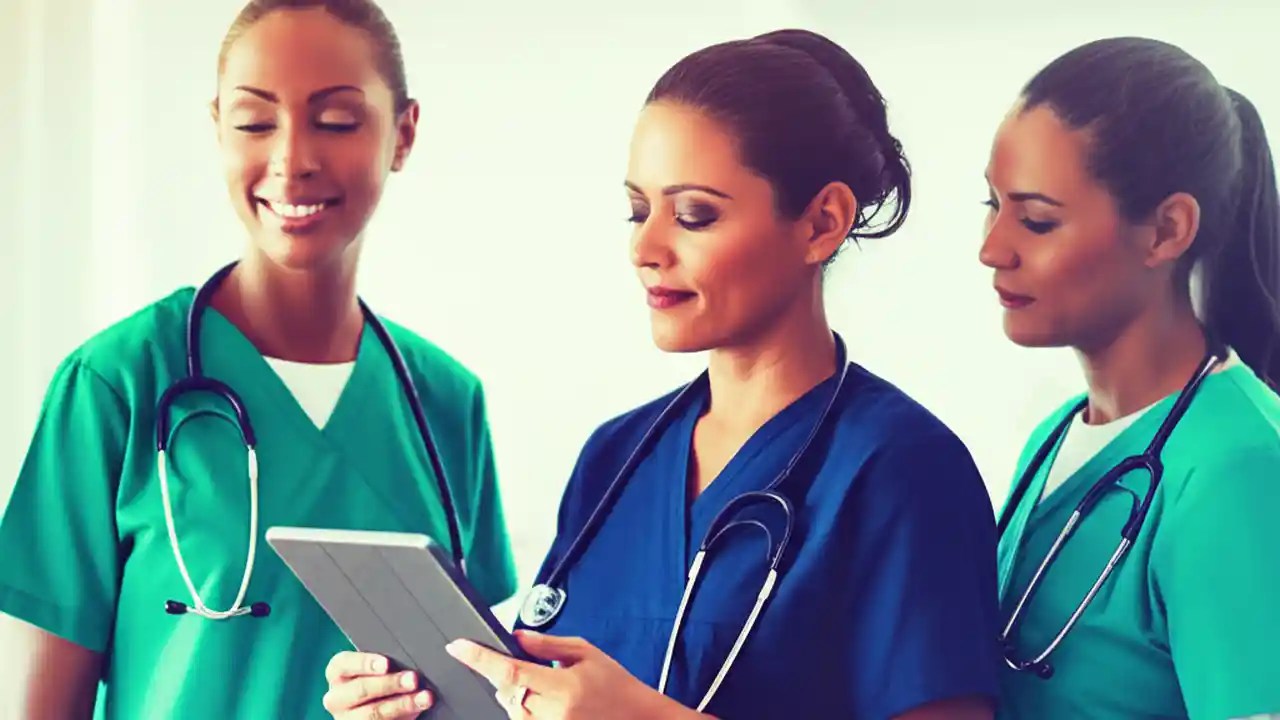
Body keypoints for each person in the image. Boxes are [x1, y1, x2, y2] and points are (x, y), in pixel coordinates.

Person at [322, 28, 1000, 720]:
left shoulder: (903, 472)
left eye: (695, 215)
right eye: (638, 211)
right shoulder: (616, 458)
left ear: (822, 222)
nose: (644, 248)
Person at [0, 1, 518, 718]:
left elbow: (476, 694)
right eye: (253, 122)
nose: (293, 160)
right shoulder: (116, 385)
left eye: (336, 121)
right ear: (217, 129)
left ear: (403, 134)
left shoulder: (446, 403)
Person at [981, 36, 1280, 720]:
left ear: (1166, 231)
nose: (992, 249)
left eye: (1036, 220)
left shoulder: (1239, 472)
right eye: (991, 206)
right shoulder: (1055, 440)